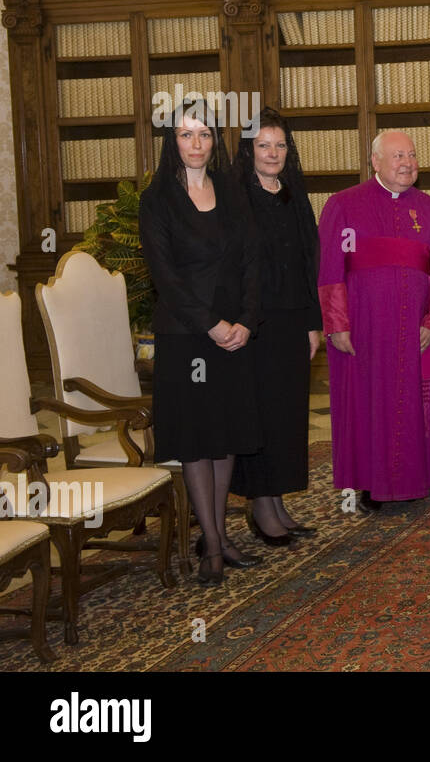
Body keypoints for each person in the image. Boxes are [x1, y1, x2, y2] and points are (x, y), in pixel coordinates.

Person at [139, 97, 262, 586]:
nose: (196, 143)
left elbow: (253, 261)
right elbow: (165, 278)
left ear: (216, 141)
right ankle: (212, 543)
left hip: (235, 334)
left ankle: (222, 535)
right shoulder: (158, 200)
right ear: (173, 141)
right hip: (187, 337)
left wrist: (246, 322)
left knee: (225, 434)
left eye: (205, 134)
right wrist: (211, 324)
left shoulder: (232, 192)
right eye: (187, 134)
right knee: (196, 439)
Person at [318, 131, 430, 509]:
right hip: (365, 329)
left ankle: (415, 479)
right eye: (397, 156)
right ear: (375, 161)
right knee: (366, 403)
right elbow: (330, 270)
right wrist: (337, 323)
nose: (407, 163)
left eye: (412, 155)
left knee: (413, 401)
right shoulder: (343, 206)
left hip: (416, 331)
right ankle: (367, 484)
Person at [231, 108, 321, 545]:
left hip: (292, 320)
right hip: (255, 323)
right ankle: (260, 506)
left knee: (288, 415)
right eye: (263, 145)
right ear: (249, 151)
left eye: (280, 145)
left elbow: (310, 263)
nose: (273, 153)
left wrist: (312, 323)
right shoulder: (235, 197)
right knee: (261, 415)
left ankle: (279, 501)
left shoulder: (293, 195)